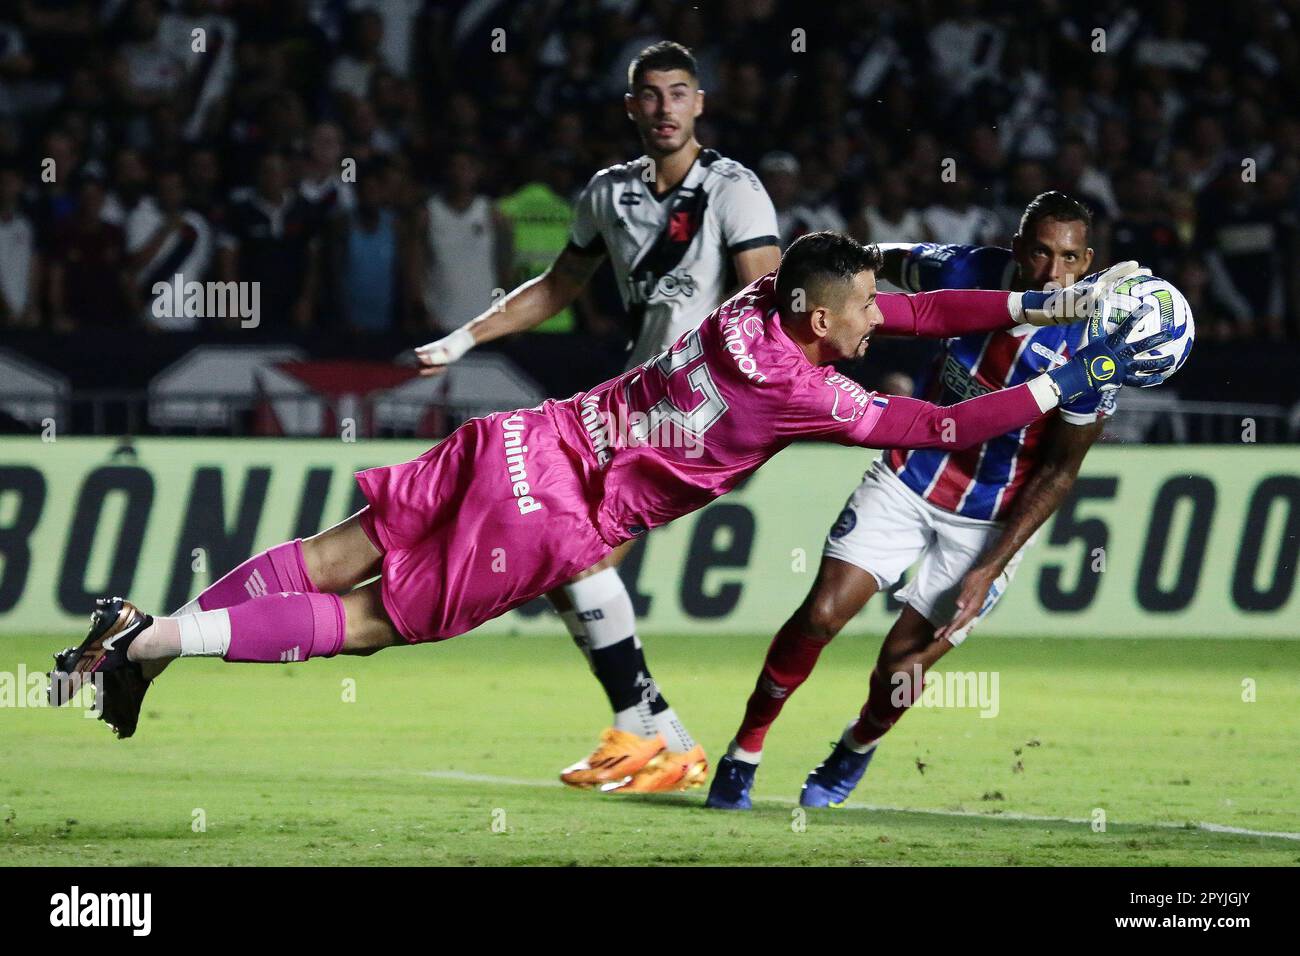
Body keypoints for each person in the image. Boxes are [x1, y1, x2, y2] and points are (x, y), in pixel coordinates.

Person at [49, 234, 1169, 756]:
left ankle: (144, 643)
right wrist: (1075, 373)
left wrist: (1048, 309)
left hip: (525, 432)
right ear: (825, 323)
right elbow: (940, 421)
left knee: (336, 549)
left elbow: (922, 314)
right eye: (864, 310)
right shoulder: (805, 391)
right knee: (373, 620)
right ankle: (153, 638)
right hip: (556, 511)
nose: (882, 319)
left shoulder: (769, 300)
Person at [414, 41, 782, 793]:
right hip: (634, 403)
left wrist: (763, 411)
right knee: (562, 562)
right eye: (650, 94)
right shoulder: (608, 193)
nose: (664, 108)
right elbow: (556, 287)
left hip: (699, 413)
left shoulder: (735, 192)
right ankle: (657, 733)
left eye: (679, 93)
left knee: (572, 551)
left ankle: (644, 733)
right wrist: (464, 336)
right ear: (631, 107)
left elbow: (767, 307)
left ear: (700, 103)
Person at [705, 192, 1129, 810]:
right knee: (822, 613)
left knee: (901, 669)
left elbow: (1060, 472)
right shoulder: (967, 272)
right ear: (1016, 250)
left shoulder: (1096, 351)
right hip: (912, 473)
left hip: (990, 519)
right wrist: (823, 281)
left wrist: (989, 566)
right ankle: (745, 750)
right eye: (1039, 253)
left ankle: (855, 745)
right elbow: (880, 260)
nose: (1053, 273)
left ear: (1088, 262)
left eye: (1069, 259)